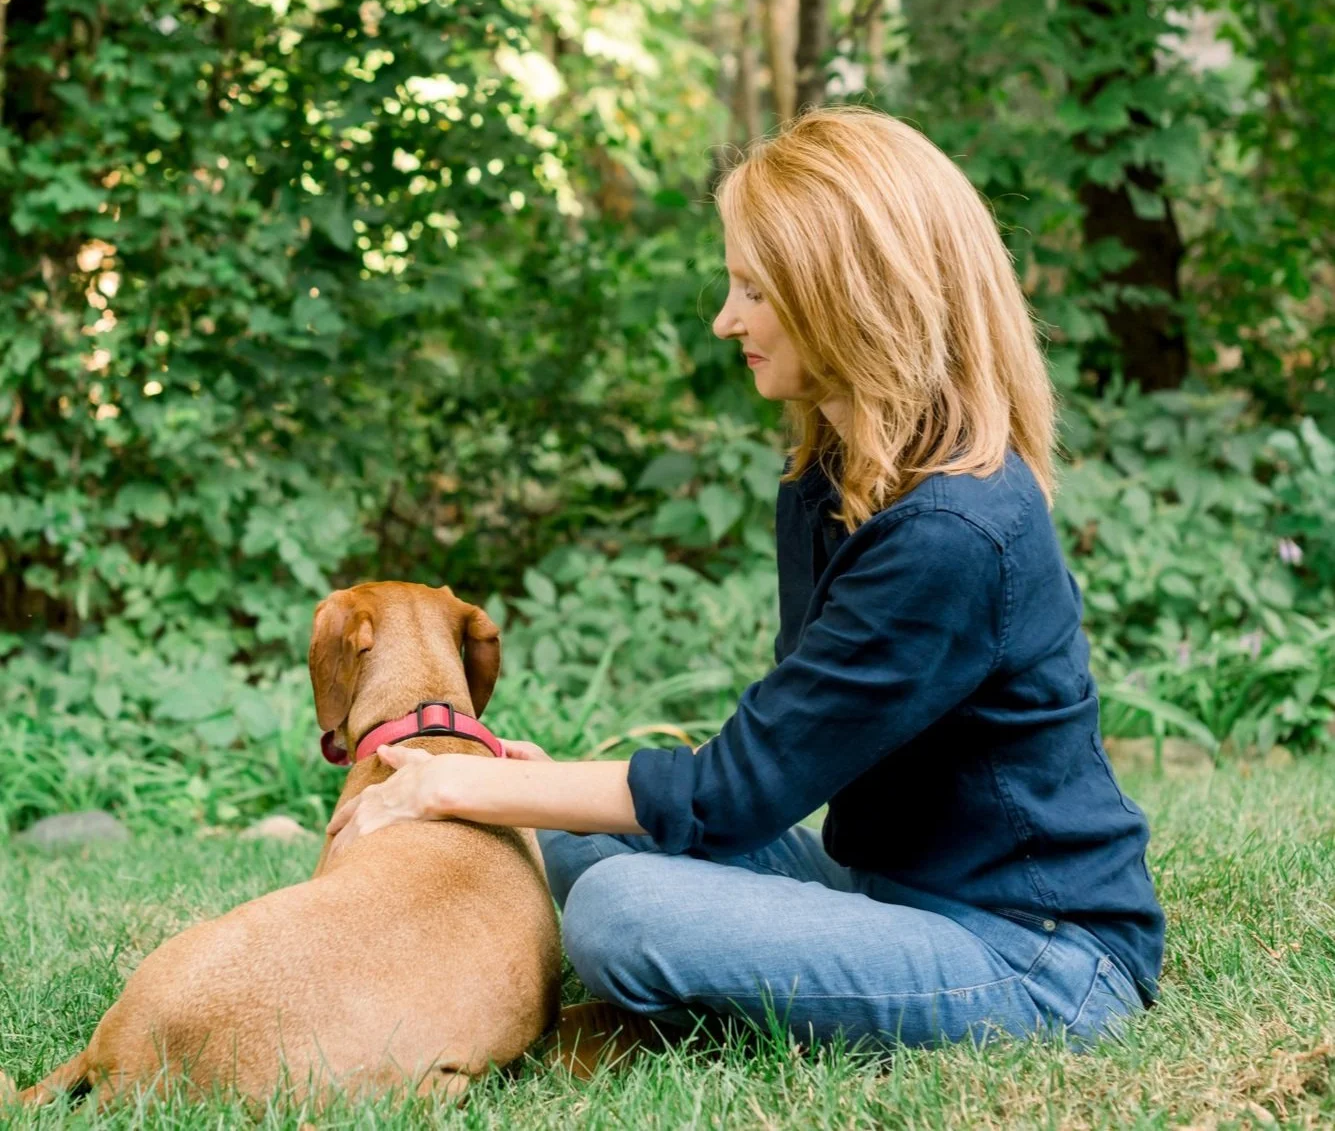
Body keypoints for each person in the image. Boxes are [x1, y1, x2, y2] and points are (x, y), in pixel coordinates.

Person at [326, 107, 1165, 1071]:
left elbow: (731, 792)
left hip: (1038, 956)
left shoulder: (952, 532)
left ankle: (687, 1004)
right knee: (568, 836)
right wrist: (525, 787)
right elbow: (767, 768)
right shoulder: (830, 480)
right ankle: (708, 992)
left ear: (846, 296)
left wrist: (463, 779)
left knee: (617, 905)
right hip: (883, 885)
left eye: (753, 288)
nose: (726, 318)